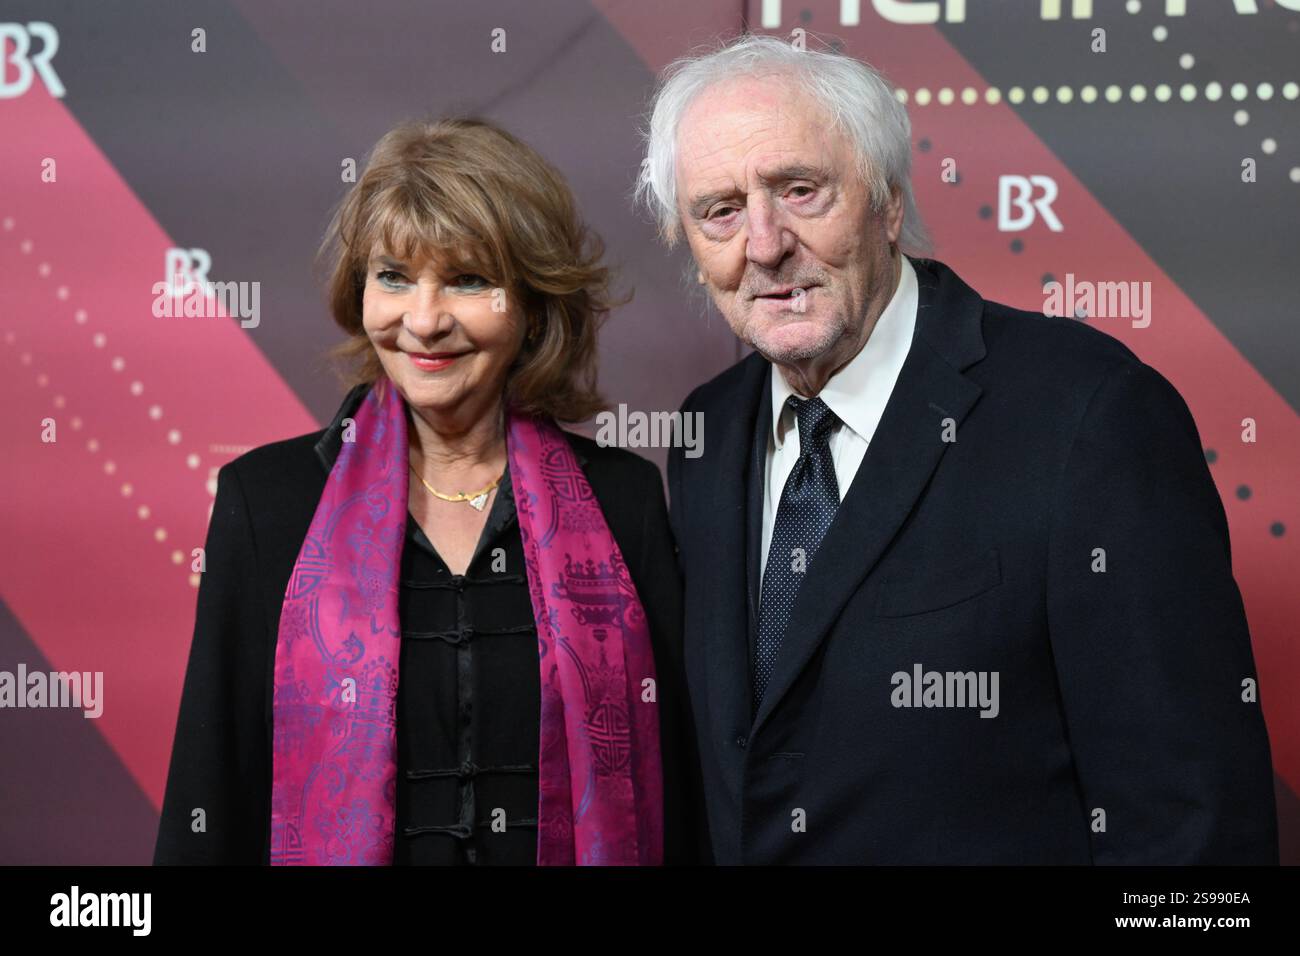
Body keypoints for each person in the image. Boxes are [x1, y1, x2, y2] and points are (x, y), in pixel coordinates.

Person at [641, 35, 1279, 864]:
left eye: (800, 191)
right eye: (720, 210)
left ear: (888, 202)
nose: (764, 245)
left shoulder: (1087, 414)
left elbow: (1196, 828)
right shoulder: (707, 436)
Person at [155, 117, 703, 866]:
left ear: (534, 304)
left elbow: (680, 803)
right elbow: (209, 801)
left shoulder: (625, 503)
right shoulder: (265, 504)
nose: (423, 320)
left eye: (469, 280)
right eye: (394, 277)